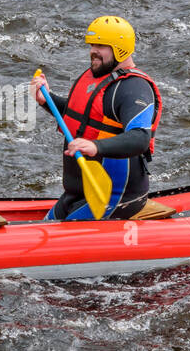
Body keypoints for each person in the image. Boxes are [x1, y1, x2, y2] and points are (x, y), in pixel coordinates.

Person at [29, 15, 161, 220]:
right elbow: (82, 118)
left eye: (101, 45)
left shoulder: (134, 88)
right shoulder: (96, 77)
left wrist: (96, 147)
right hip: (78, 193)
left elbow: (140, 138)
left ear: (121, 48)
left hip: (113, 197)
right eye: (92, 45)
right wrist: (46, 100)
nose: (93, 51)